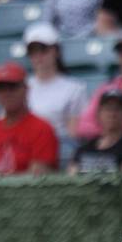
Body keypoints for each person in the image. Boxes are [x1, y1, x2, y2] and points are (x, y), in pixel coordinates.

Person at [0, 61, 59, 175]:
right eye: (0, 88)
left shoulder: (42, 128)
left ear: (25, 89)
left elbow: (38, 177)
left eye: (12, 87)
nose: (6, 93)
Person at [23, 21, 87, 152]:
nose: (38, 56)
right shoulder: (21, 87)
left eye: (43, 50)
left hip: (58, 150)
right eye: (32, 51)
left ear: (56, 51)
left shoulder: (74, 88)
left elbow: (73, 134)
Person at [69, 88, 122, 173]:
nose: (112, 114)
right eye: (107, 109)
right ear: (98, 114)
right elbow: (72, 172)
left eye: (117, 109)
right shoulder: (86, 148)